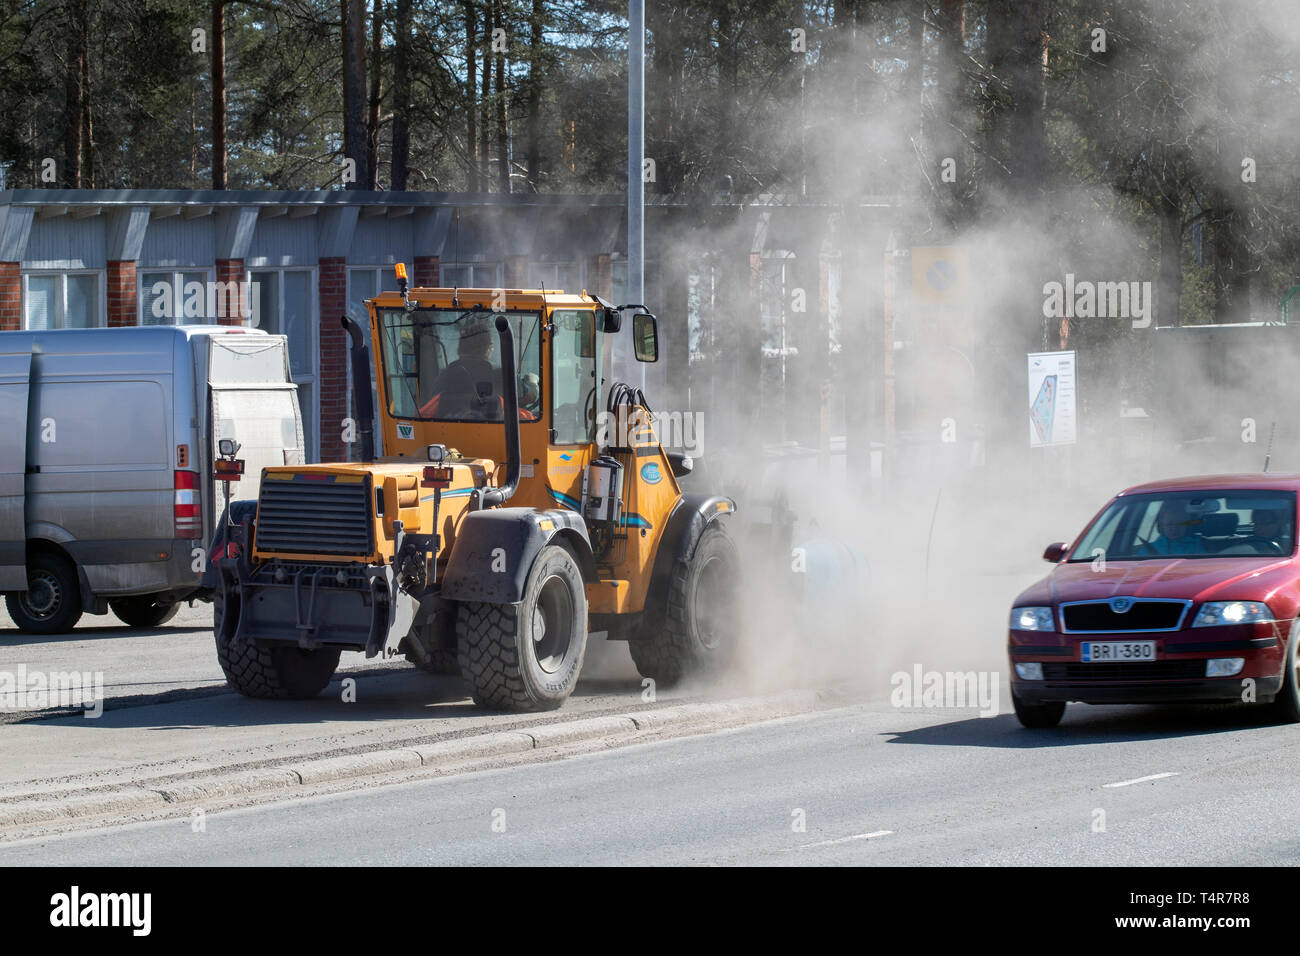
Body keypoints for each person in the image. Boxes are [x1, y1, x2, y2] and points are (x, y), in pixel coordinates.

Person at [419, 316, 499, 420]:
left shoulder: (446, 375)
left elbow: (429, 410)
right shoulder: (499, 375)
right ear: (488, 348)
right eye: (491, 345)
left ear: (461, 346)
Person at [1142, 504, 1207, 556]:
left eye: (1180, 524)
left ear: (1187, 526)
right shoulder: (1150, 548)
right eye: (1169, 524)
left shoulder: (1195, 545)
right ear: (1162, 526)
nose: (1174, 528)